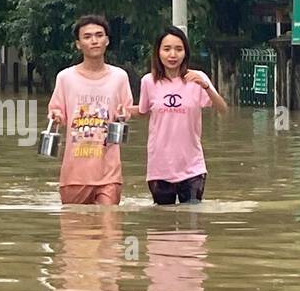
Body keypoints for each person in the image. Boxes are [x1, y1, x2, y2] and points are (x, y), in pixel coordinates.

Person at [133, 25, 228, 205]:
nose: (172, 55)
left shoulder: (197, 78)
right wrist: (119, 109)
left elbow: (222, 109)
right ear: (158, 52)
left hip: (192, 166)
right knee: (162, 222)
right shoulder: (149, 81)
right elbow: (142, 111)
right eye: (167, 49)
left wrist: (206, 87)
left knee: (192, 220)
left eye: (178, 49)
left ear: (185, 52)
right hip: (159, 166)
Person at [47, 15, 134, 206]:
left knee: (110, 230)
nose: (94, 41)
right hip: (75, 174)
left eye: (99, 35)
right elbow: (56, 112)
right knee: (76, 232)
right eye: (87, 37)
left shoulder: (119, 77)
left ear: (107, 40)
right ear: (78, 44)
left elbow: (126, 111)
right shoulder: (65, 78)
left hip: (109, 173)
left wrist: (122, 115)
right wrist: (56, 116)